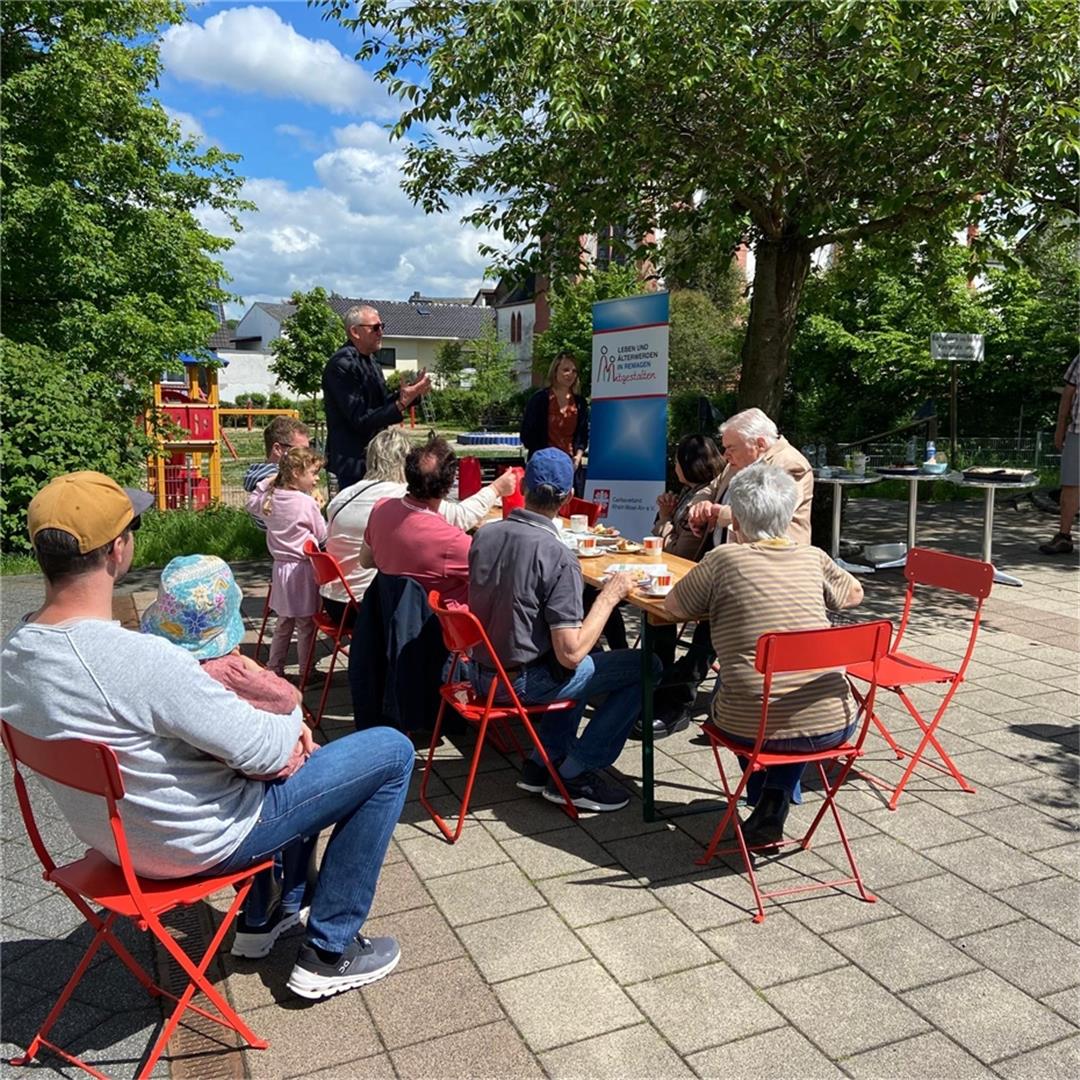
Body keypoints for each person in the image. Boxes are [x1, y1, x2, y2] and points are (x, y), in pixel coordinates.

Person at [0, 471, 414, 999]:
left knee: (299, 765)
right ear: (119, 550)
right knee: (391, 753)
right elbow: (265, 752)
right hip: (199, 842)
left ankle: (264, 918)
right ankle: (329, 951)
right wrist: (294, 720)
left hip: (116, 845)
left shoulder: (17, 652)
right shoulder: (143, 662)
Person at [663, 464, 864, 846]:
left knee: (758, 709)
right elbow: (854, 595)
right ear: (789, 515)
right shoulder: (813, 557)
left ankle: (765, 799)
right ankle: (773, 800)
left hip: (748, 724)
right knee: (800, 700)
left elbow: (673, 607)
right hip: (836, 722)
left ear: (734, 518)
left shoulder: (723, 559)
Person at [140, 554, 317, 958]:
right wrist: (253, 666)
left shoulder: (168, 664)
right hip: (249, 775)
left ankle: (259, 904)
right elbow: (289, 698)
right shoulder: (227, 669)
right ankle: (293, 890)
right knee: (310, 771)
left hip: (203, 779)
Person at [468, 448, 660, 813]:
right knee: (645, 665)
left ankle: (543, 762)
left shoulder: (485, 535)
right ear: (569, 498)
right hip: (519, 684)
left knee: (585, 665)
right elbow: (570, 653)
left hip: (478, 672)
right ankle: (577, 771)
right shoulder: (557, 556)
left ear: (522, 489)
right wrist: (609, 597)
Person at [642, 409, 814, 740]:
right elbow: (712, 486)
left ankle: (677, 697)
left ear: (760, 443)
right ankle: (662, 682)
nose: (724, 456)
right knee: (660, 605)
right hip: (728, 559)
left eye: (730, 448)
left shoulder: (790, 465)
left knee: (714, 624)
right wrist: (700, 505)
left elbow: (765, 515)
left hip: (768, 567)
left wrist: (718, 513)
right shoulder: (742, 459)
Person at [322, 429, 517, 625]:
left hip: (338, 600)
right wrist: (496, 489)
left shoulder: (348, 497)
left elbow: (366, 560)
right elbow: (463, 519)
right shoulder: (398, 500)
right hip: (381, 610)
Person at [322, 304, 432, 489]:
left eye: (382, 326)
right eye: (375, 328)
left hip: (376, 458)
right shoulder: (341, 365)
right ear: (355, 332)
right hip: (354, 463)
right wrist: (401, 402)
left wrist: (412, 394)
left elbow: (379, 405)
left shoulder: (370, 361)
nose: (380, 332)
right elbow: (361, 419)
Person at [360, 437, 472, 605]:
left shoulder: (380, 509)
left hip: (387, 616)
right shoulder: (454, 542)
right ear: (449, 486)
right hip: (440, 625)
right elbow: (496, 577)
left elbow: (366, 560)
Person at [247, 447, 327, 677]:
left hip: (280, 568)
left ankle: (275, 667)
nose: (317, 478)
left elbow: (250, 502)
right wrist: (319, 512)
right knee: (306, 624)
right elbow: (322, 535)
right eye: (313, 473)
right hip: (302, 570)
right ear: (295, 473)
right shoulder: (307, 503)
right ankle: (306, 671)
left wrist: (268, 481)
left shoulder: (269, 499)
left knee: (283, 623)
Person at [520, 351, 589, 496]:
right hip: (543, 467)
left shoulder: (580, 403)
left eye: (574, 371)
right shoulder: (539, 400)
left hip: (571, 466)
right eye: (566, 370)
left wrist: (578, 455)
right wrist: (545, 457)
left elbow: (582, 435)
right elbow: (527, 435)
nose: (570, 374)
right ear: (555, 371)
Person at [1039, 354, 1079, 555]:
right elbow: (1068, 394)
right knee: (1071, 485)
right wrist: (1060, 427)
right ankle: (1064, 537)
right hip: (1078, 432)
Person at [243, 416, 311, 494]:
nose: (308, 456)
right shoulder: (279, 485)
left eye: (308, 450)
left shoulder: (260, 478)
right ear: (277, 449)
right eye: (301, 450)